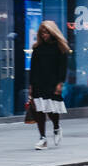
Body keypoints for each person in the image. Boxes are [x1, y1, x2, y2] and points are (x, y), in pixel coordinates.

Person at [29, 20, 70, 149]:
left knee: (51, 109)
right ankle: (43, 138)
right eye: (42, 33)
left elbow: (63, 67)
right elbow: (33, 68)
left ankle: (56, 128)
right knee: (39, 110)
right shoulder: (37, 48)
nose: (44, 35)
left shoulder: (60, 47)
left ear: (52, 32)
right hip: (38, 82)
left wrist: (60, 83)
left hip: (52, 82)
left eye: (46, 32)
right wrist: (31, 85)